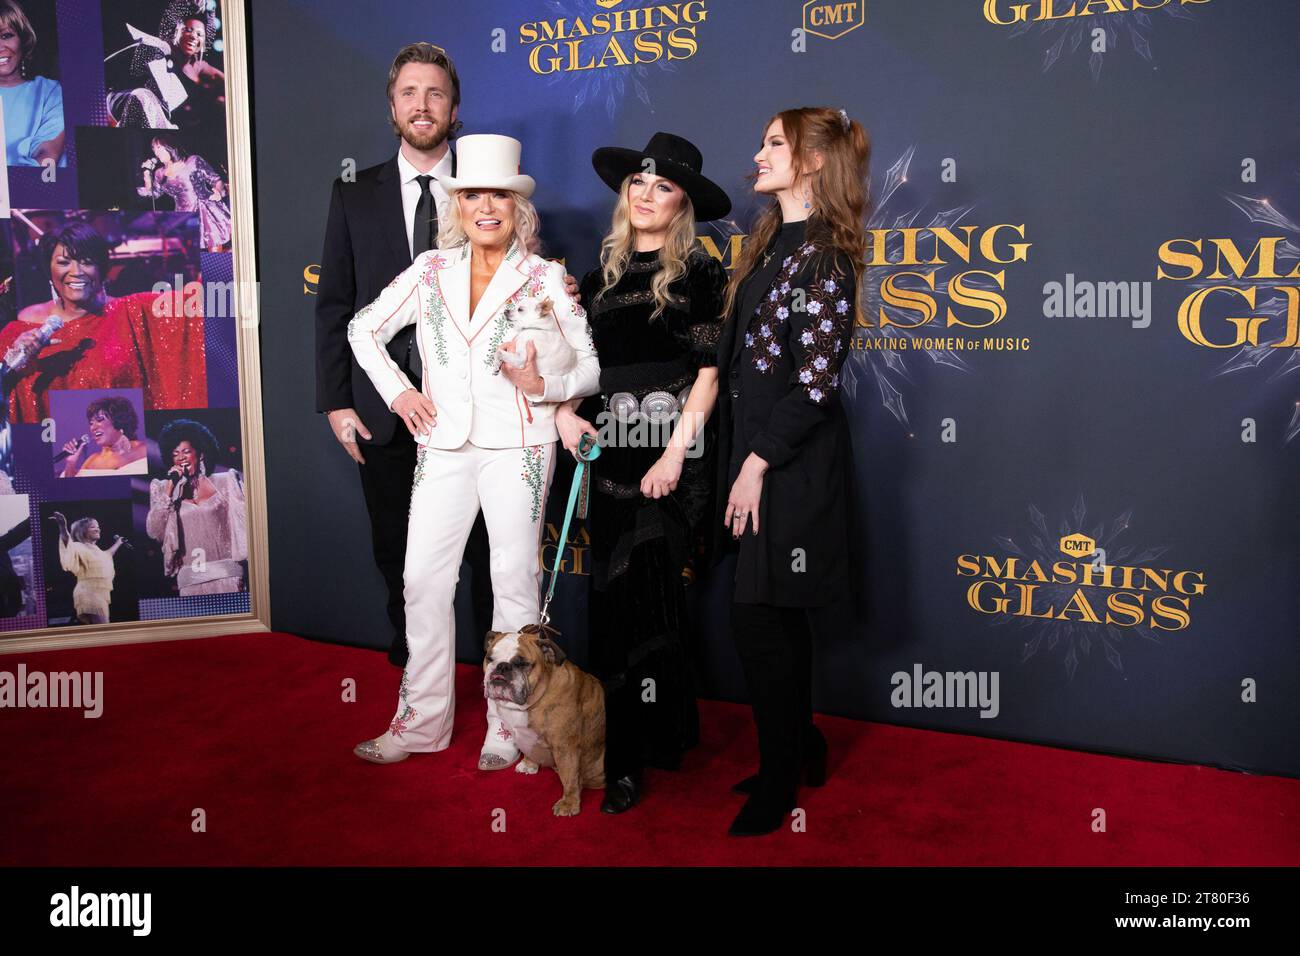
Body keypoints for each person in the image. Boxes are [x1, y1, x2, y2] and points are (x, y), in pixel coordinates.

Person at [347, 133, 599, 770]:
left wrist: (551, 387)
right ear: (455, 206)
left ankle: (510, 730)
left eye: (500, 197)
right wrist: (402, 394)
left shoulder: (545, 278)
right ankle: (422, 722)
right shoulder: (430, 272)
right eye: (473, 196)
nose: (487, 207)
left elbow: (591, 367)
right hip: (443, 443)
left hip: (520, 444)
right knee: (421, 581)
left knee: (513, 585)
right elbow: (363, 328)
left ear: (519, 210)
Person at [554, 132, 730, 813]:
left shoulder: (701, 273)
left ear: (682, 201)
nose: (647, 194)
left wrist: (672, 455)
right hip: (608, 463)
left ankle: (656, 744)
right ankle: (623, 752)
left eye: (663, 186)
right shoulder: (594, 281)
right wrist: (568, 413)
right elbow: (578, 371)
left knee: (656, 603)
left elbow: (709, 379)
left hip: (669, 463)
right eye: (639, 183)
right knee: (610, 609)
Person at [315, 42, 496, 670]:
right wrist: (338, 402)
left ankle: (494, 674)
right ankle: (417, 671)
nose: (423, 105)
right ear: (392, 107)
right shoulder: (353, 193)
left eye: (435, 93)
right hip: (385, 409)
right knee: (395, 548)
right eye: (409, 93)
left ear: (454, 107)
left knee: (485, 553)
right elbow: (335, 305)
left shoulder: (485, 190)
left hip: (473, 410)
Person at [714, 106, 868, 837]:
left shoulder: (828, 256)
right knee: (771, 613)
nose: (759, 152)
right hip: (756, 452)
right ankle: (802, 743)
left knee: (760, 618)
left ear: (811, 161)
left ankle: (780, 778)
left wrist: (755, 464)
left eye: (774, 142)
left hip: (790, 463)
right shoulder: (770, 243)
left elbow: (815, 383)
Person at [0, 221, 207, 423]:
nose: (76, 271)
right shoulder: (22, 326)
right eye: (64, 262)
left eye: (87, 261)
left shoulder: (133, 312)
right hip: (48, 447)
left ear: (102, 269)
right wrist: (13, 360)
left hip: (121, 447)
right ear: (50, 270)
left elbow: (197, 302)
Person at [145, 418, 247, 596]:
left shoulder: (225, 481)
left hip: (227, 577)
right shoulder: (163, 489)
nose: (181, 457)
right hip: (190, 581)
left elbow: (247, 523)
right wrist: (169, 489)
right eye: (175, 453)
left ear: (200, 454)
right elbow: (155, 532)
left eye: (186, 451)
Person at [105, 0, 224, 131]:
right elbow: (110, 64)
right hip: (123, 100)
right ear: (176, 32)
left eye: (199, 34)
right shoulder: (157, 48)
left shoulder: (200, 68)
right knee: (144, 96)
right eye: (188, 30)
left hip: (151, 117)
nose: (193, 36)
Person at [0, 0, 65, 167]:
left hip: (34, 189)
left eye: (6, 36)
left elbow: (48, 157)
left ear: (23, 39)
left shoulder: (51, 93)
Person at [138, 136, 232, 251]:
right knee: (190, 254)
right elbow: (154, 193)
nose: (157, 152)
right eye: (154, 149)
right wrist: (147, 174)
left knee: (214, 252)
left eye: (159, 147)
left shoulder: (193, 161)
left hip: (205, 210)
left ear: (170, 146)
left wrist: (218, 192)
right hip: (183, 215)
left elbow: (216, 180)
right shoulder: (159, 173)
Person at [49, 511, 128, 625]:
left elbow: (108, 555)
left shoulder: (96, 549)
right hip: (88, 593)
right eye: (93, 527)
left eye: (98, 527)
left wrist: (118, 543)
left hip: (100, 594)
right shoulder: (78, 546)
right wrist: (62, 526)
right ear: (83, 531)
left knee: (102, 629)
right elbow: (66, 540)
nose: (97, 529)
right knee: (104, 629)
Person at [59, 395, 148, 477]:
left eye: (99, 420)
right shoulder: (91, 462)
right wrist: (70, 463)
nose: (93, 427)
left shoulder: (144, 450)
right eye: (91, 423)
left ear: (118, 421)